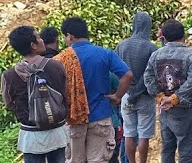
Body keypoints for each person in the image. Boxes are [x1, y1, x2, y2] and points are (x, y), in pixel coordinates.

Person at [56, 17, 133, 163]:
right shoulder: (104, 53)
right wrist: (117, 96)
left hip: (74, 119)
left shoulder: (61, 59)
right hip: (100, 116)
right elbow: (128, 75)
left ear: (70, 36)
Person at [4, 25, 70, 163]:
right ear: (33, 45)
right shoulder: (56, 66)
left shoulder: (9, 75)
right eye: (39, 37)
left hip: (31, 134)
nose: (42, 40)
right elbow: (65, 93)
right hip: (56, 130)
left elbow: (9, 103)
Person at [143, 20, 192, 163]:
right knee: (187, 151)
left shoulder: (156, 55)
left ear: (164, 36)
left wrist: (161, 97)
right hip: (184, 109)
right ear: (183, 35)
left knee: (167, 149)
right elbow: (191, 82)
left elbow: (148, 78)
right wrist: (174, 98)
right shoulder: (190, 55)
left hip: (165, 110)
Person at [115, 13, 157, 163]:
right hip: (145, 96)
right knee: (144, 134)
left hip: (126, 95)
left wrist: (126, 91)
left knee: (129, 133)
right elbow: (152, 74)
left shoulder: (122, 46)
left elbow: (116, 71)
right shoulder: (152, 48)